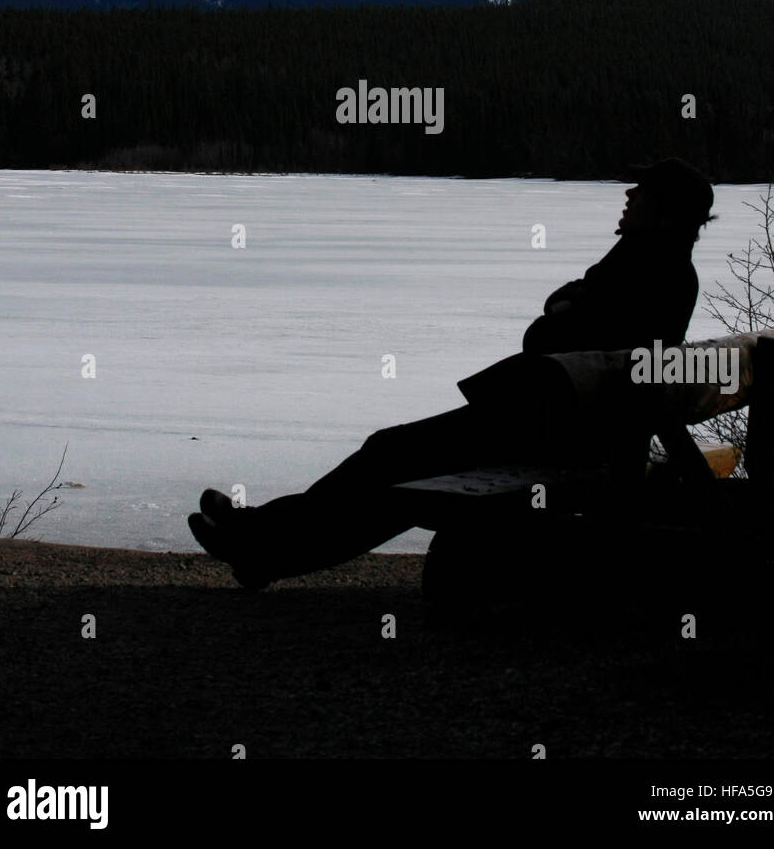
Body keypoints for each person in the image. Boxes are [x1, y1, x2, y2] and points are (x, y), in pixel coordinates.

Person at [188, 157, 715, 589]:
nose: (628, 196)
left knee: (391, 459)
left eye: (641, 191)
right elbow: (566, 325)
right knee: (391, 463)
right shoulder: (658, 264)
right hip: (570, 426)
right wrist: (564, 312)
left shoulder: (649, 269)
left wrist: (563, 312)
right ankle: (263, 545)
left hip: (555, 433)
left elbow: (550, 336)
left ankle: (261, 543)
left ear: (664, 212)